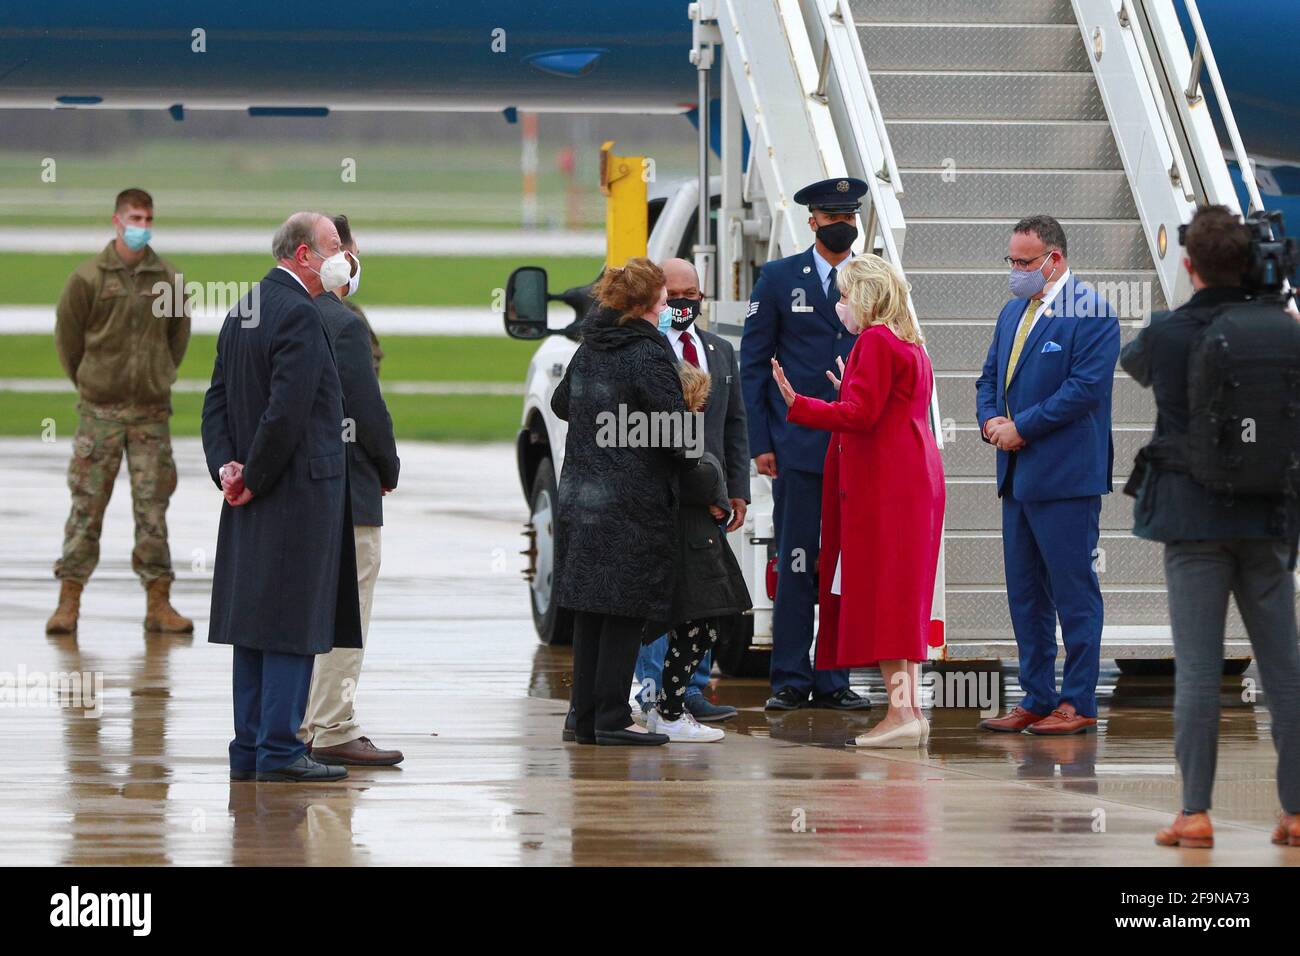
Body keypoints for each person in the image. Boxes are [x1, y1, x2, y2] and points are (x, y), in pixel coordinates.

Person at [1120, 205, 1300, 848]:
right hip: (1269, 518)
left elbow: (1133, 362)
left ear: (1189, 262)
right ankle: (1297, 811)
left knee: (1197, 669)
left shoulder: (1168, 333)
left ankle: (1195, 813)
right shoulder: (1283, 329)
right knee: (1284, 669)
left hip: (1192, 522)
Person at [200, 211, 363, 783]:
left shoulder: (245, 305)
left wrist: (228, 470)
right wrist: (257, 477)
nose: (343, 255)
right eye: (334, 246)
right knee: (294, 627)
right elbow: (287, 413)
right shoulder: (299, 313)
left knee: (253, 627)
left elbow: (215, 399)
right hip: (294, 497)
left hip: (251, 494)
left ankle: (249, 750)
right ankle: (279, 751)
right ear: (303, 256)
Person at [771, 255, 944, 747]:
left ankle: (898, 712)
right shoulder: (910, 344)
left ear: (866, 296)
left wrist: (799, 404)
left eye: (845, 296)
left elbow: (861, 415)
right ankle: (907, 709)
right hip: (914, 482)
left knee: (887, 596)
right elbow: (879, 407)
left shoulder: (873, 340)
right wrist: (847, 386)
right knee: (905, 597)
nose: (840, 305)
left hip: (888, 488)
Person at [975, 215, 1119, 735]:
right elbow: (989, 376)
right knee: (1026, 594)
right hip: (1017, 477)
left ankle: (1077, 701)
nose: (1015, 271)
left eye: (1024, 262)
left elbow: (1084, 390)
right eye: (1011, 261)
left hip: (1065, 479)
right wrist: (991, 419)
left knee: (1074, 593)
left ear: (1053, 259)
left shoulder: (1092, 312)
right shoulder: (1015, 312)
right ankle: (1036, 695)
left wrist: (1023, 428)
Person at [550, 257, 697, 746]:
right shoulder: (646, 353)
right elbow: (679, 434)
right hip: (631, 503)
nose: (669, 304)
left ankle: (583, 716)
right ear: (647, 303)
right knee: (623, 609)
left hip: (583, 496)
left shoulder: (590, 347)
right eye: (663, 297)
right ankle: (612, 716)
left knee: (591, 608)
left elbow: (561, 404)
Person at [740, 177, 871, 712]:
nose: (842, 221)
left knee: (841, 568)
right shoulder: (777, 278)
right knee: (797, 563)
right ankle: (790, 678)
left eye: (849, 212)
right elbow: (754, 364)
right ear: (812, 220)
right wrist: (760, 441)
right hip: (798, 448)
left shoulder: (873, 277)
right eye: (832, 213)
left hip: (855, 448)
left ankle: (834, 679)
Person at [47, 188, 192, 635]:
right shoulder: (88, 278)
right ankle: (68, 601)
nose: (141, 225)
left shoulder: (168, 279)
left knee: (153, 510)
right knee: (86, 509)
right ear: (116, 220)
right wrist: (96, 383)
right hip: (100, 414)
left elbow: (177, 338)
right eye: (134, 216)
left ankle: (158, 603)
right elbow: (69, 343)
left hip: (150, 414)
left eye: (148, 217)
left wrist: (155, 376)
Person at [298, 214, 403, 767]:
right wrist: (388, 466)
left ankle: (299, 720)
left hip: (297, 489)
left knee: (300, 612)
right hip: (348, 486)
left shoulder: (276, 311)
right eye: (346, 249)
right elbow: (368, 408)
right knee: (347, 614)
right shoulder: (343, 321)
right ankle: (333, 725)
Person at [633, 257, 749, 723]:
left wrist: (736, 488)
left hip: (708, 499)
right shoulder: (645, 349)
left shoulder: (719, 351)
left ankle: (691, 690)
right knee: (659, 599)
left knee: (703, 598)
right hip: (659, 495)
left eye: (690, 296)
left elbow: (735, 424)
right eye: (672, 297)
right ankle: (650, 689)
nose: (682, 305)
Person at [644, 360, 753, 742]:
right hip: (688, 544)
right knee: (696, 628)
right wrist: (717, 491)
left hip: (692, 540)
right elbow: (699, 474)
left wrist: (718, 491)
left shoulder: (662, 426)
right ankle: (671, 710)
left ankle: (667, 709)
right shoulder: (675, 428)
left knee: (696, 628)